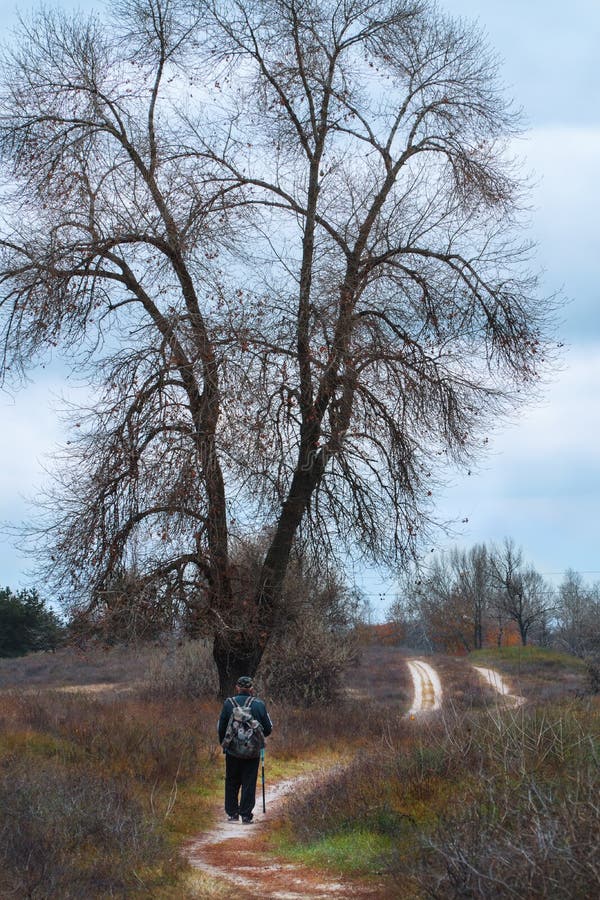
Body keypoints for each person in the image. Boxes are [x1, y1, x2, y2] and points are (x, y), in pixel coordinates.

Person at [217, 675, 273, 823]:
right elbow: (268, 729)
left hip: (232, 751)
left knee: (232, 781)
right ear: (251, 689)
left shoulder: (228, 704)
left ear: (237, 688)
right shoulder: (259, 705)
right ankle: (246, 815)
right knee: (249, 782)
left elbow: (221, 727)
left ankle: (232, 814)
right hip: (252, 753)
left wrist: (225, 745)